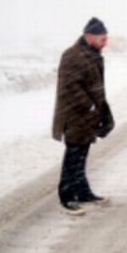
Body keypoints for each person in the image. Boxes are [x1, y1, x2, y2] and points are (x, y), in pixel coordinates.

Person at [52, 17, 115, 215]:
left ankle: (82, 192)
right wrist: (90, 107)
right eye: (102, 38)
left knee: (81, 156)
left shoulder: (92, 54)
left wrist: (102, 111)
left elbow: (96, 88)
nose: (105, 41)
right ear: (89, 36)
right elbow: (70, 87)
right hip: (74, 116)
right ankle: (67, 198)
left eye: (106, 38)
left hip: (87, 117)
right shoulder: (72, 55)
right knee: (73, 156)